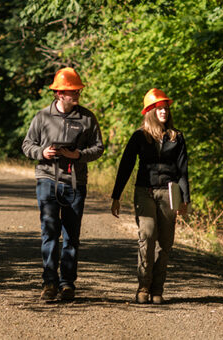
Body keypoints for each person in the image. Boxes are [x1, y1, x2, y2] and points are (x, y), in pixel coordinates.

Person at [22, 67, 105, 301]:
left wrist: (76, 155)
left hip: (76, 181)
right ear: (59, 93)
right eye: (72, 90)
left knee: (71, 234)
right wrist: (43, 152)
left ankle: (67, 284)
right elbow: (27, 145)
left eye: (78, 89)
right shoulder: (42, 117)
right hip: (47, 179)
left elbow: (98, 148)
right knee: (49, 231)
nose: (77, 93)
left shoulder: (87, 118)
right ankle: (49, 283)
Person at [110, 88, 190, 304]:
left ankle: (157, 289)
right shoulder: (139, 136)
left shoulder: (177, 137)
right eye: (159, 108)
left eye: (166, 108)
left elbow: (183, 171)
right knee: (147, 235)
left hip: (169, 193)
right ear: (150, 111)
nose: (164, 111)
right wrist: (116, 196)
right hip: (144, 192)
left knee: (165, 242)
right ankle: (143, 286)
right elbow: (126, 165)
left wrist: (185, 199)